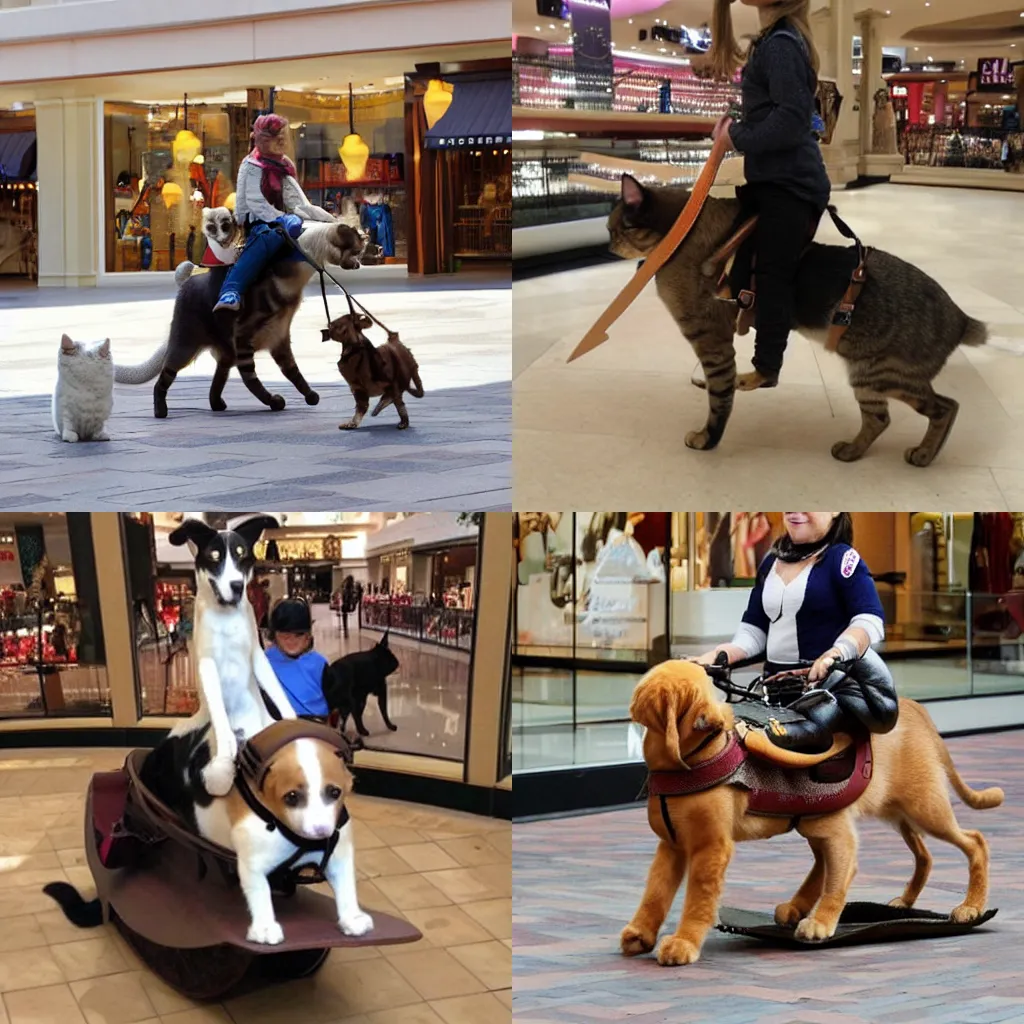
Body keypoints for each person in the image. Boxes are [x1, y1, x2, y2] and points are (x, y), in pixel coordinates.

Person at [705, 0, 832, 391]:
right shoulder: (779, 40)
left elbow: (790, 121)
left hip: (790, 183)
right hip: (779, 179)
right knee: (738, 261)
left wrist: (735, 136)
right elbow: (783, 114)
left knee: (773, 275)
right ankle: (735, 328)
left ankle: (766, 367)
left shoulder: (779, 44)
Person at [694, 512, 898, 753]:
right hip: (772, 691)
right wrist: (717, 656)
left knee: (792, 735)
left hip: (823, 692)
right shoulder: (770, 563)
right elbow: (755, 631)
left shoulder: (842, 559)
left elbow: (869, 619)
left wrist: (837, 652)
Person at [213, 113, 336, 312]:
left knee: (310, 235)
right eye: (275, 136)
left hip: (287, 220)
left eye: (283, 135)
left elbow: (295, 200)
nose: (281, 140)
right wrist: (281, 219)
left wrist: (326, 220)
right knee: (269, 236)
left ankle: (289, 287)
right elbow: (255, 202)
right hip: (259, 221)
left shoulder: (285, 165)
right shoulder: (251, 165)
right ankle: (231, 290)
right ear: (261, 139)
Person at [263, 598, 330, 718]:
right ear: (275, 636)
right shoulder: (264, 663)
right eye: (285, 636)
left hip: (316, 724)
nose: (291, 641)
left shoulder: (319, 664)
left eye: (298, 635)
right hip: (277, 726)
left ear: (308, 636)